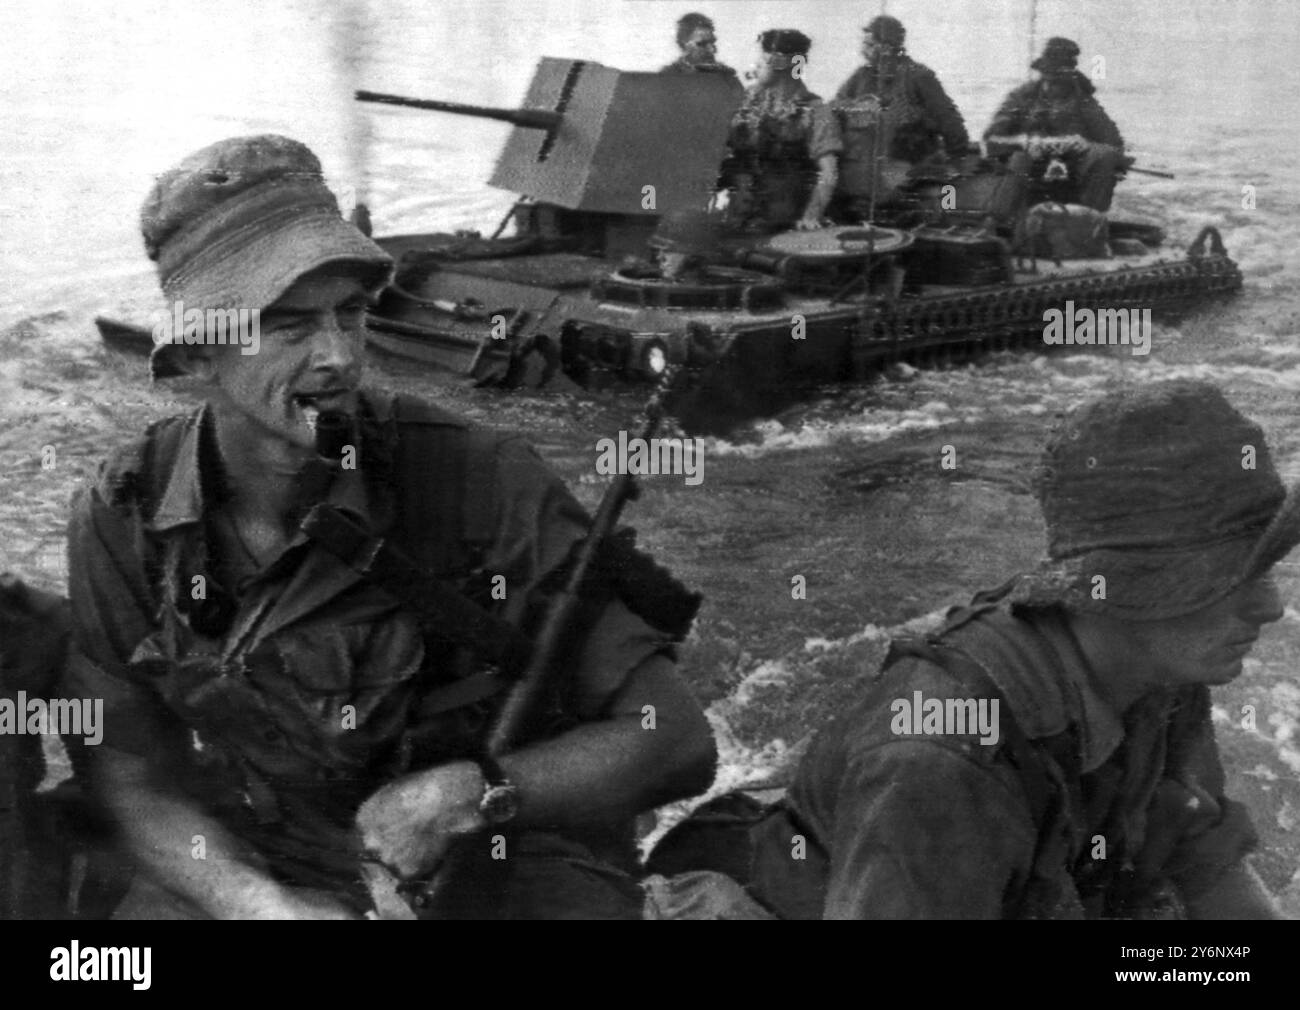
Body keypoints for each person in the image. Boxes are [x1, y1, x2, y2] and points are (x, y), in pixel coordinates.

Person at [61, 135, 716, 920]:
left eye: (350, 313)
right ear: (199, 358)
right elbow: (128, 775)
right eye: (290, 326)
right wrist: (261, 905)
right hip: (274, 864)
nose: (339, 357)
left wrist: (473, 794)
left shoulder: (481, 479)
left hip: (502, 854)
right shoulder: (125, 514)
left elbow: (675, 739)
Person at [737, 380, 1294, 918]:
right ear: (1134, 591)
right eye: (1235, 579)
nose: (1271, 608)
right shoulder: (942, 758)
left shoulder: (1155, 668)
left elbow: (1202, 860)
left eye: (1263, 569)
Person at [831, 15, 971, 215]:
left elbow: (949, 120)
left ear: (886, 48)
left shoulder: (919, 76)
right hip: (868, 159)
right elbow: (836, 106)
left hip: (910, 160)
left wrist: (956, 160)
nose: (863, 50)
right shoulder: (861, 76)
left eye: (869, 45)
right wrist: (856, 108)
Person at [984, 37, 1127, 211]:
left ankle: (1088, 218)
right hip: (1029, 166)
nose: (1051, 86)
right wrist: (1024, 142)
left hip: (1072, 171)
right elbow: (991, 140)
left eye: (1058, 81)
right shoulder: (1021, 97)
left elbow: (1115, 146)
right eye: (1048, 79)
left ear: (1069, 77)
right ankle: (1002, 219)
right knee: (1020, 159)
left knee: (1105, 156)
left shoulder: (1085, 103)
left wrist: (1087, 146)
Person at [720, 30, 843, 232]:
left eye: (762, 58)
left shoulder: (816, 112)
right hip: (738, 218)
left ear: (780, 62)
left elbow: (829, 173)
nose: (756, 64)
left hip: (782, 225)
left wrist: (811, 215)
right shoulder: (745, 100)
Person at [661, 12, 735, 78]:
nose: (712, 50)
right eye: (702, 44)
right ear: (683, 44)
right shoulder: (667, 77)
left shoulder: (726, 75)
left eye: (712, 42)